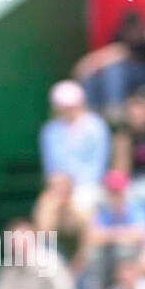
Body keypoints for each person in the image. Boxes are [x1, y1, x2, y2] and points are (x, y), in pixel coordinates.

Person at [33, 80, 111, 235]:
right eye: (64, 106)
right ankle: (47, 254)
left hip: (88, 186)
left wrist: (72, 188)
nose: (68, 110)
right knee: (45, 207)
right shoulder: (50, 131)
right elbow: (52, 168)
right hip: (59, 187)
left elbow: (98, 166)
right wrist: (60, 187)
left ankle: (82, 256)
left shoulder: (96, 126)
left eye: (72, 105)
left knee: (82, 209)